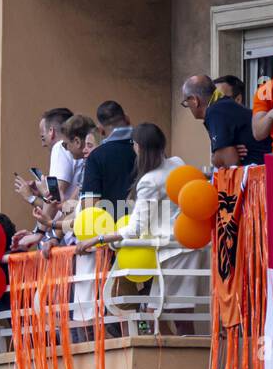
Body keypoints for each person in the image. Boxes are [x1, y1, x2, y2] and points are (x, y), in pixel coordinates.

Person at [76, 123, 207, 334]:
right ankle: (170, 355)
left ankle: (180, 357)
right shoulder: (177, 163)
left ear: (138, 147)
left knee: (170, 312)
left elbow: (134, 229)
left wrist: (96, 239)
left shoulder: (149, 181)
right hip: (186, 245)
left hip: (172, 251)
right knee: (166, 312)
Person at [182, 74, 267, 168]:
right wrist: (219, 155)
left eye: (186, 102)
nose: (188, 106)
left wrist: (217, 156)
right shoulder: (222, 106)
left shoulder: (215, 111)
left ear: (194, 100)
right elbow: (223, 156)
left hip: (263, 174)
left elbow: (230, 161)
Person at [79, 100, 138, 213]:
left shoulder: (96, 157)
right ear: (127, 119)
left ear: (100, 129)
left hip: (110, 227)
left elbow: (89, 207)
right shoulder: (148, 149)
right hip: (148, 226)